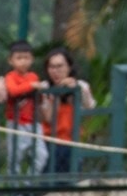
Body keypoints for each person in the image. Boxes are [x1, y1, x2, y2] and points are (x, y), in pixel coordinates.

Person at [38, 47, 95, 176]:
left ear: (69, 67)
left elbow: (90, 111)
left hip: (74, 141)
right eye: (51, 67)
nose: (55, 71)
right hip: (50, 142)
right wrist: (58, 92)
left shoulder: (81, 85)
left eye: (60, 66)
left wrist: (76, 90)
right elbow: (49, 118)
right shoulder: (45, 87)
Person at [0, 41, 43, 179]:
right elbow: (13, 91)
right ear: (11, 60)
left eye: (26, 58)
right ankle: (14, 189)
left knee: (41, 156)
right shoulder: (10, 77)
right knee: (15, 158)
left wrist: (32, 85)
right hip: (16, 123)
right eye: (19, 58)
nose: (23, 61)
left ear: (32, 59)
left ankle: (28, 186)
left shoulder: (33, 76)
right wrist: (31, 86)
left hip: (34, 123)